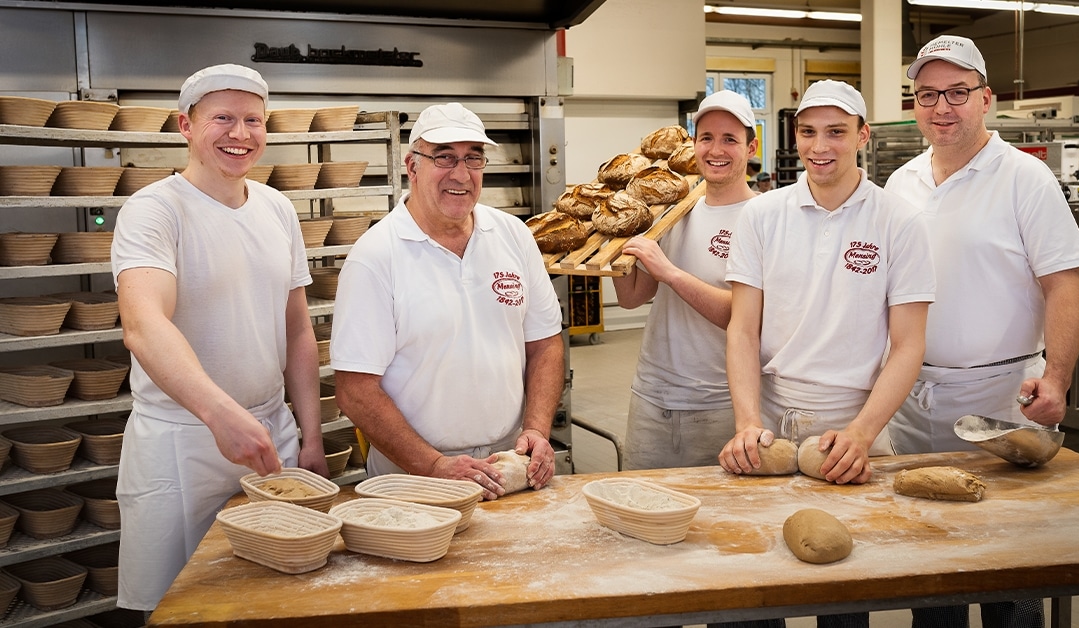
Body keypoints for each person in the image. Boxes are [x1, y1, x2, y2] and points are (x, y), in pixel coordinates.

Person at [885, 35, 1079, 628]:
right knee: (934, 564)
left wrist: (1056, 376)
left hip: (1001, 402)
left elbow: (1063, 285)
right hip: (915, 399)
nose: (941, 107)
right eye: (928, 94)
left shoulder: (1024, 178)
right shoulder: (901, 182)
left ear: (986, 99)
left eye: (957, 92)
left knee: (1008, 564)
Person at [111, 63, 328, 613]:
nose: (241, 134)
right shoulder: (154, 211)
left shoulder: (277, 208)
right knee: (174, 604)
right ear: (186, 125)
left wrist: (311, 435)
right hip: (183, 443)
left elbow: (297, 329)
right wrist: (219, 414)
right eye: (222, 118)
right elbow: (143, 324)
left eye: (253, 120)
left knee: (270, 597)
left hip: (270, 433)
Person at [719, 79, 933, 628]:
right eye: (809, 132)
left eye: (837, 132)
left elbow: (909, 345)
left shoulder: (898, 221)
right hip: (770, 422)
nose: (821, 146)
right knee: (757, 578)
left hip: (853, 426)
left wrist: (861, 434)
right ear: (795, 137)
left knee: (843, 589)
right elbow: (743, 330)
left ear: (862, 135)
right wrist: (746, 422)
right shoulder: (763, 216)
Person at [331, 103, 563, 500]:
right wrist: (433, 464)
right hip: (414, 478)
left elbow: (545, 344)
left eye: (473, 158)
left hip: (507, 467)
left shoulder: (513, 235)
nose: (461, 174)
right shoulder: (376, 256)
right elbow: (355, 389)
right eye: (444, 157)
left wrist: (537, 429)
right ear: (412, 166)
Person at [612, 90, 759, 471]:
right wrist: (611, 242)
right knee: (639, 512)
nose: (716, 150)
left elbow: (744, 319)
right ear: (693, 144)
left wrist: (672, 274)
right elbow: (631, 298)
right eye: (706, 137)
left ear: (751, 146)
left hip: (721, 404)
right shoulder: (674, 212)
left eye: (730, 139)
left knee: (717, 523)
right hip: (651, 397)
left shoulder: (764, 217)